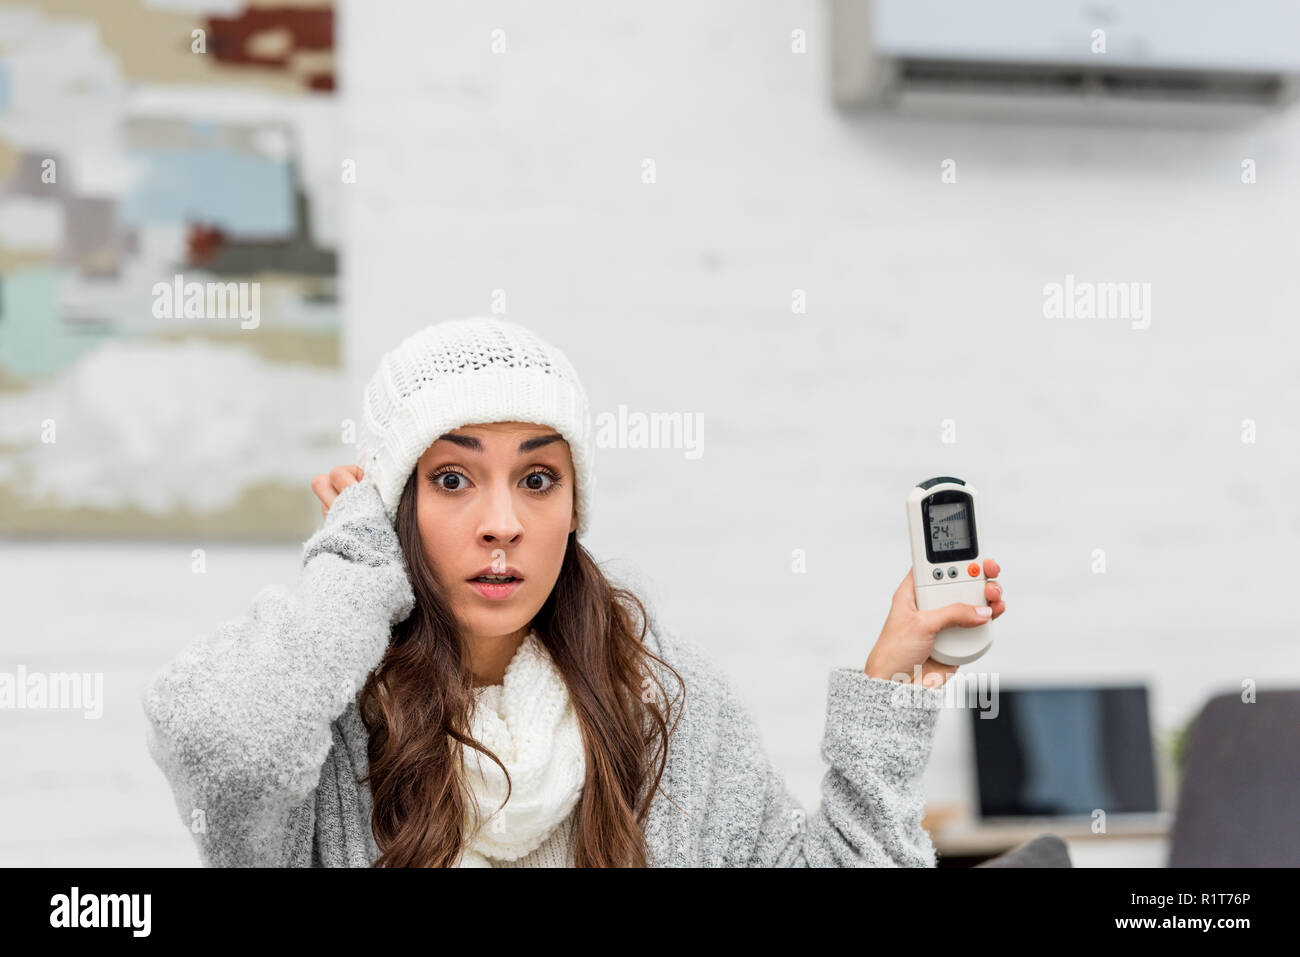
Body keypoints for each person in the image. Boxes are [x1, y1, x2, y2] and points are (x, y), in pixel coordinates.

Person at [141, 316, 1006, 867]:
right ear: (390, 504)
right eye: (451, 478)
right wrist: (355, 563)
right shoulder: (322, 725)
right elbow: (226, 745)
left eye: (539, 478)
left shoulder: (665, 703)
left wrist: (895, 681)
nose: (502, 523)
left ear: (573, 507)